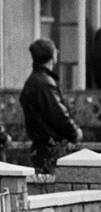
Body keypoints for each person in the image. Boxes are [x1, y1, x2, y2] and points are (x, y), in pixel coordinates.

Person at [19, 39, 82, 175]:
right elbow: (58, 115)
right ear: (52, 56)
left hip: (42, 146)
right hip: (51, 147)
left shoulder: (34, 80)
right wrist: (74, 132)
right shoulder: (44, 83)